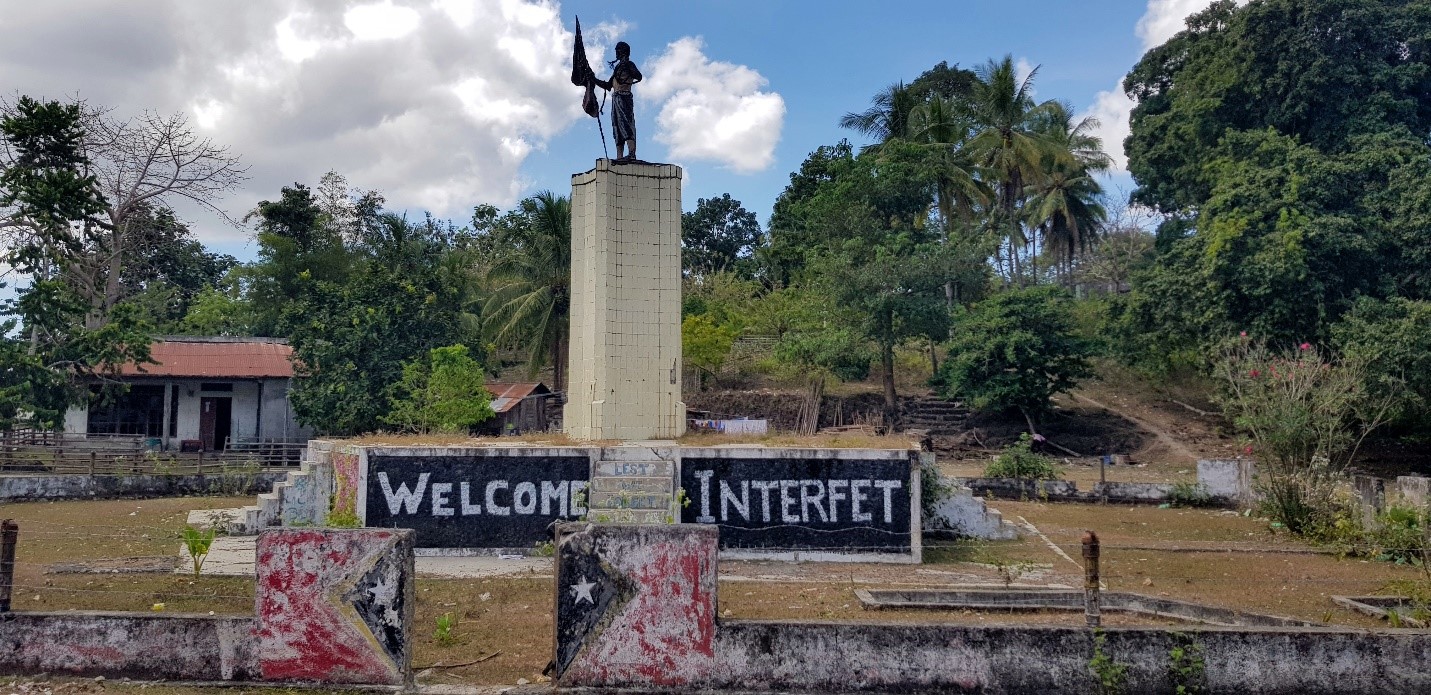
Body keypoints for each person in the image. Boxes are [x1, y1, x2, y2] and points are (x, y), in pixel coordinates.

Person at [596, 42, 642, 161]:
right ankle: (619, 156)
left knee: (626, 123)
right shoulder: (617, 68)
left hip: (624, 96)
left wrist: (629, 70)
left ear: (623, 51)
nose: (616, 53)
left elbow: (639, 76)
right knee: (616, 125)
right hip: (616, 98)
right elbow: (608, 85)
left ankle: (631, 153)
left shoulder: (628, 64)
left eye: (618, 50)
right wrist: (593, 79)